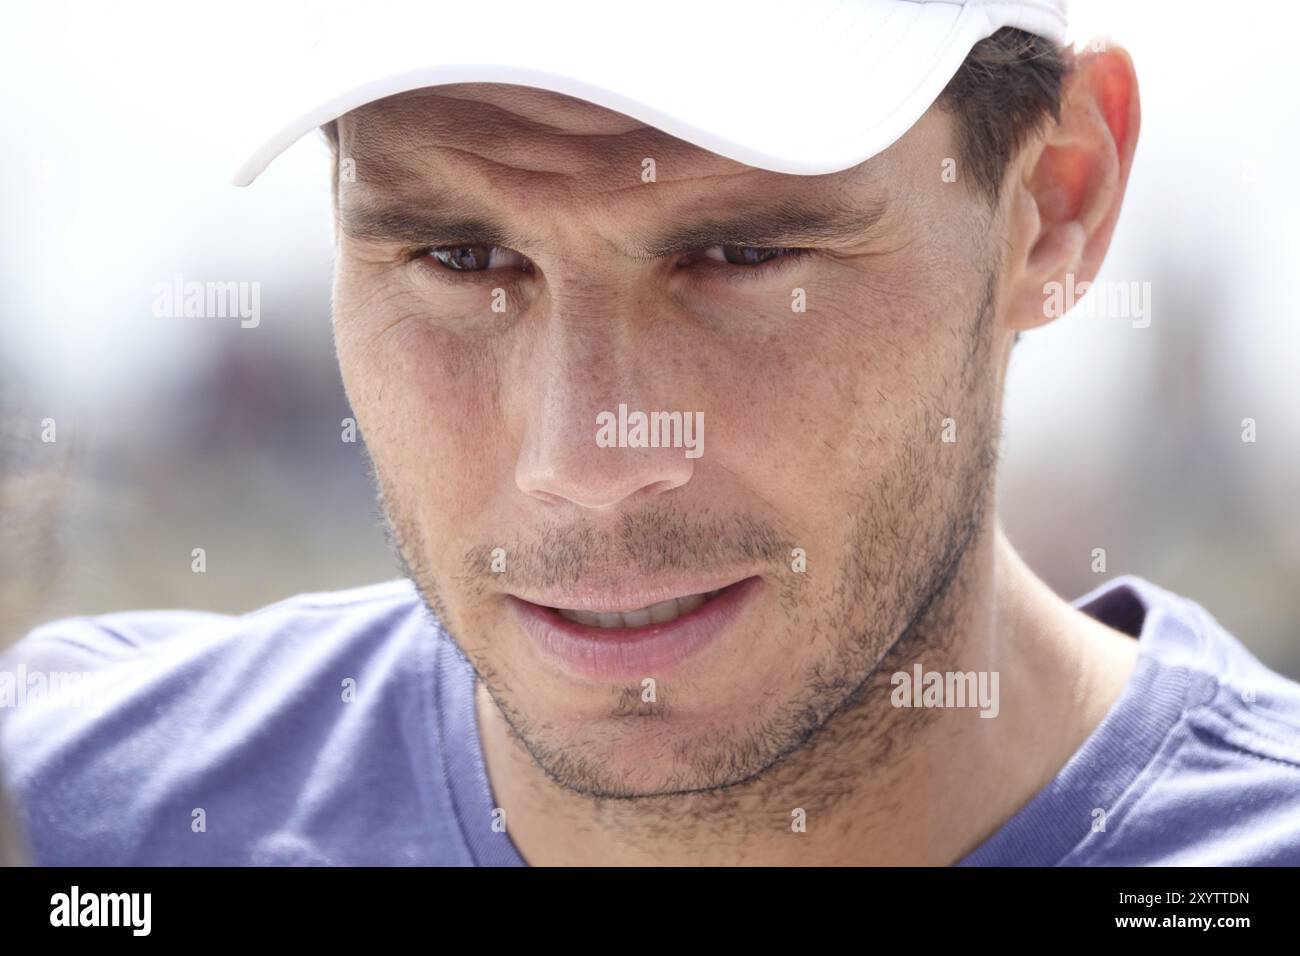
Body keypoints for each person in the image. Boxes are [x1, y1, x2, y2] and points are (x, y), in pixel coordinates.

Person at [3, 0, 1299, 866]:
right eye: (459, 257)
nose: (582, 456)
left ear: (1055, 203)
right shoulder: (75, 811)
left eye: (742, 254)